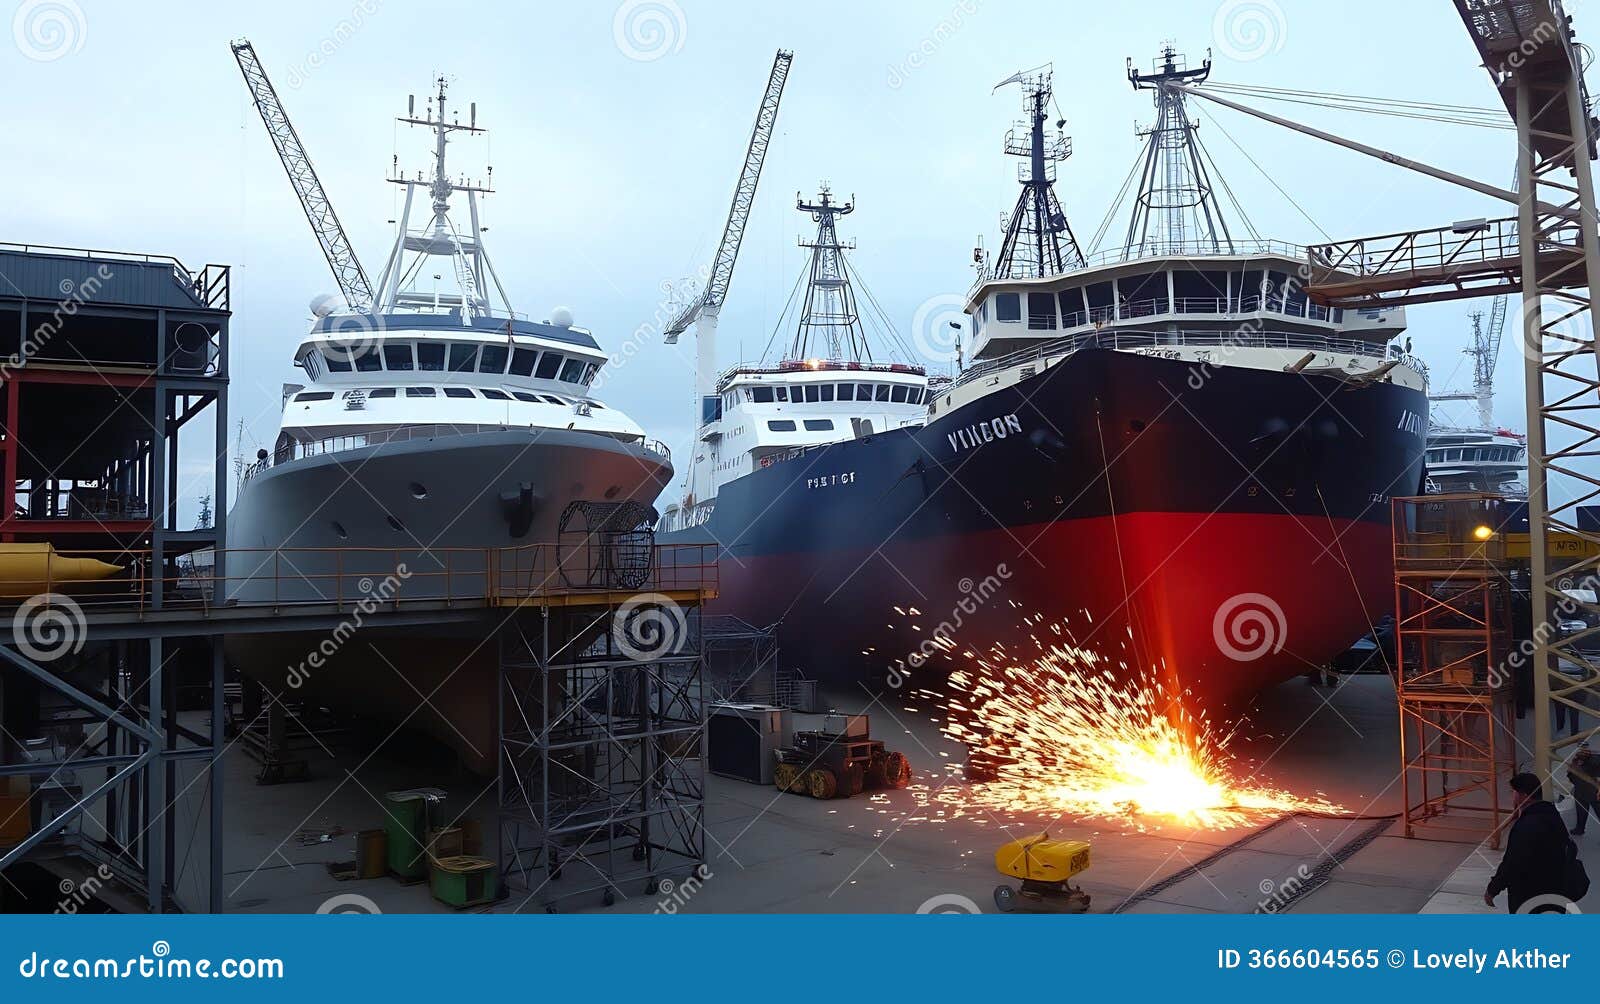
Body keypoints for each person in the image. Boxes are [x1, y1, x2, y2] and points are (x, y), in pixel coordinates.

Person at [1485, 773, 1574, 913]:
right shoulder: (1552, 814)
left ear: (1524, 795)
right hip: (1555, 892)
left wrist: (1493, 889)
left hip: (1529, 896)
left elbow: (1512, 863)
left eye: (1514, 792)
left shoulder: (1527, 825)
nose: (1512, 796)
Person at [1570, 745, 1600, 836]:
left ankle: (1580, 829)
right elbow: (1571, 773)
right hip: (1581, 790)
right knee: (1581, 811)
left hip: (1594, 792)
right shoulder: (1576, 759)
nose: (1583, 751)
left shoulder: (1595, 760)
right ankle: (1580, 829)